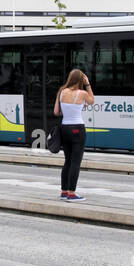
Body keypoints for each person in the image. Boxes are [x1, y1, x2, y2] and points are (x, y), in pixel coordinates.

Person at [53, 69, 94, 201]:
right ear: (81, 80)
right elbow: (92, 101)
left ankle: (64, 191)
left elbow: (56, 112)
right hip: (77, 129)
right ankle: (72, 193)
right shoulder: (82, 93)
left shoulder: (61, 91)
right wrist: (88, 85)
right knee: (76, 162)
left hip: (64, 128)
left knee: (68, 161)